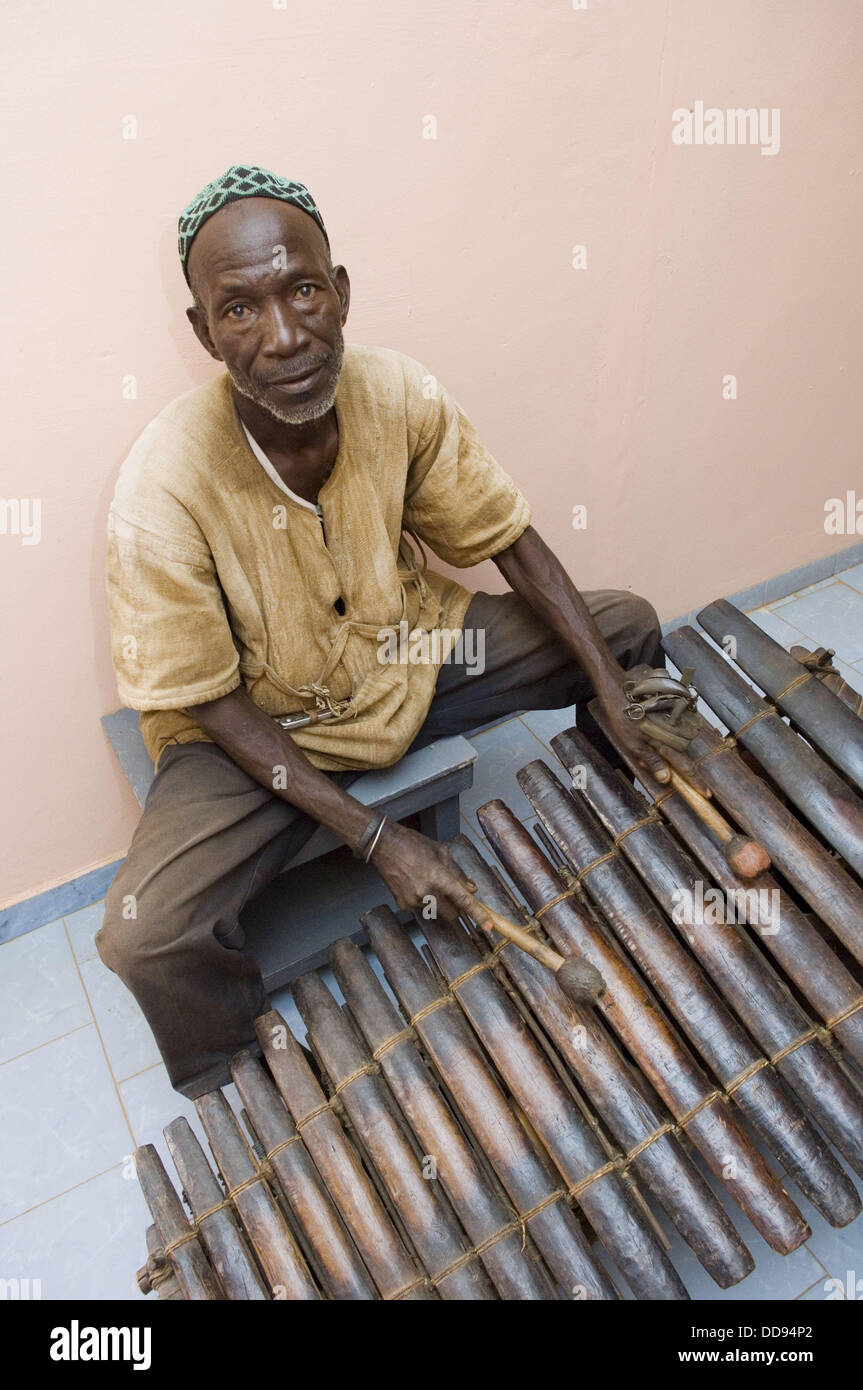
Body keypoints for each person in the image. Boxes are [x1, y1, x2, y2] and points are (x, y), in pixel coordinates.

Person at [98, 165, 696, 1097]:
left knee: (621, 629)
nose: (285, 336)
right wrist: (377, 840)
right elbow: (207, 700)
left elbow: (508, 541)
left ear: (340, 291)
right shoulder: (158, 487)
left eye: (301, 290)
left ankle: (623, 808)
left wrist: (612, 694)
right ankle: (244, 1084)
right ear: (204, 332)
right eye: (241, 309)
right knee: (145, 935)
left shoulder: (398, 393)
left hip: (410, 654)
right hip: (257, 726)